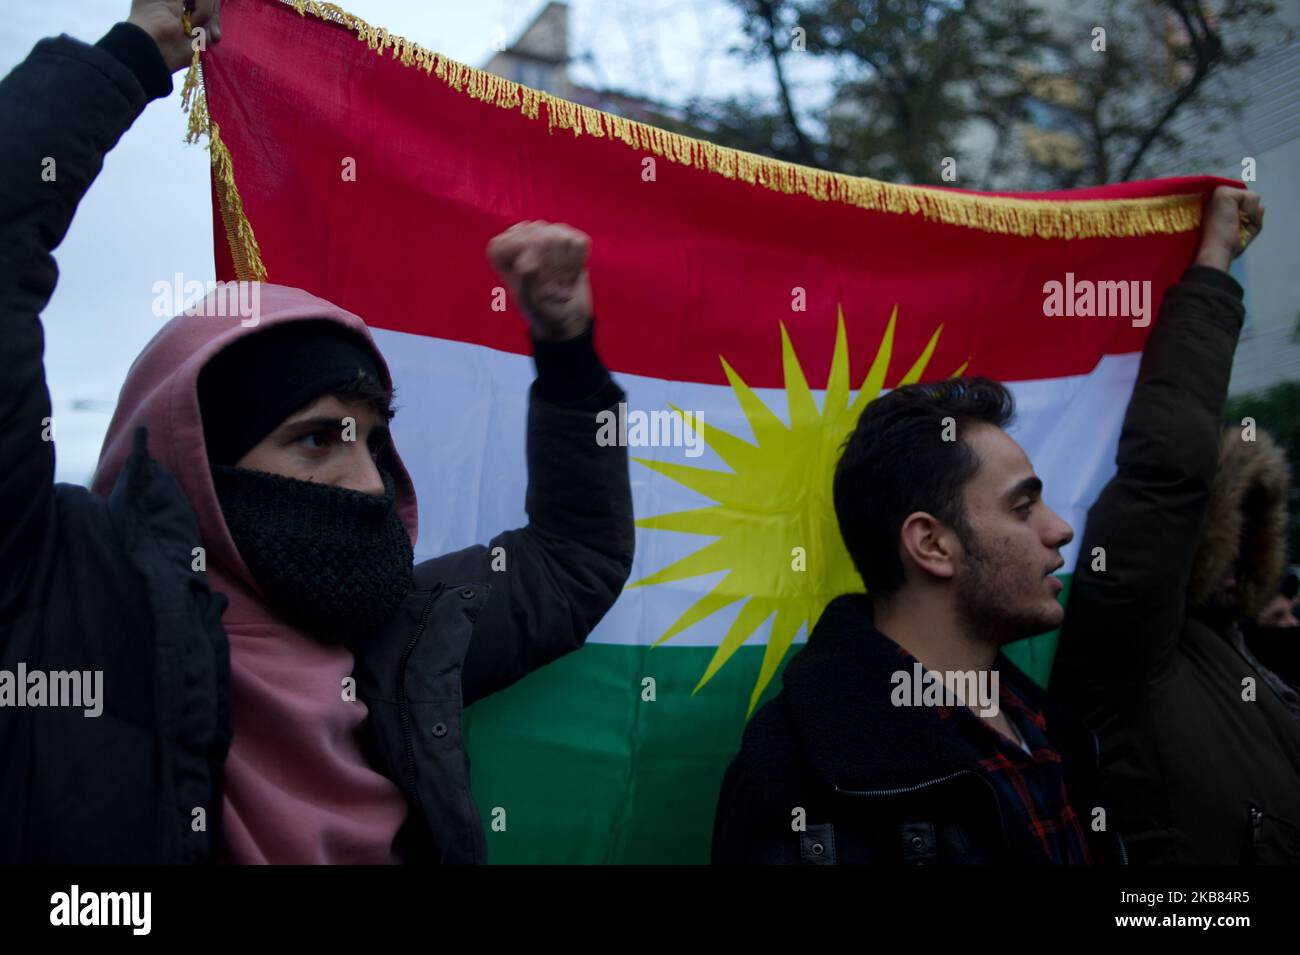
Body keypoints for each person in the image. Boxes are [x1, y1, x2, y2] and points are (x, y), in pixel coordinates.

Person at [0, 0, 633, 863]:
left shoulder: (403, 633)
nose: (369, 480)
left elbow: (575, 555)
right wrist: (131, 59)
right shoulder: (58, 596)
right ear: (201, 461)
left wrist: (567, 354)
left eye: (373, 439)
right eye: (315, 438)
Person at [713, 372, 1124, 864]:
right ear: (932, 545)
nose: (1059, 529)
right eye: (1022, 507)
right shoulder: (790, 776)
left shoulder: (1055, 732)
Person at [1050, 188, 1300, 864]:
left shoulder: (1244, 651)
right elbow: (1165, 474)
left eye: (1251, 538)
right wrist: (1213, 265)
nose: (1233, 560)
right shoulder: (1125, 649)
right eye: (1217, 530)